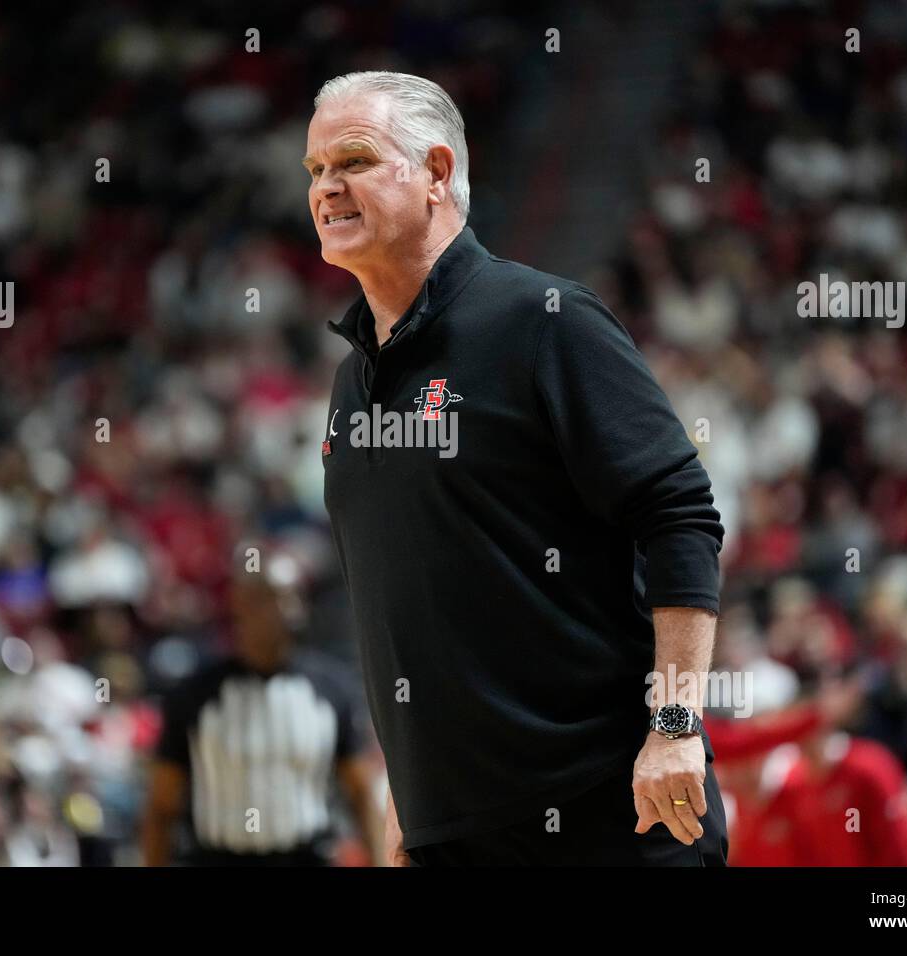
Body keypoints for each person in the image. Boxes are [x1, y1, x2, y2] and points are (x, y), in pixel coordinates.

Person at [306, 71, 728, 865]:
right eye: (315, 170)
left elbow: (680, 515)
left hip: (612, 816)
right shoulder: (350, 382)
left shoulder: (543, 322)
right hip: (452, 839)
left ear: (435, 173)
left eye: (353, 161)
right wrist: (410, 804)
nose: (326, 187)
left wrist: (673, 727)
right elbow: (404, 604)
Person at [142, 546, 383, 866]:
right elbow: (162, 805)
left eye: (296, 595)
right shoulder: (195, 696)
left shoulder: (330, 689)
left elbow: (360, 793)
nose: (292, 608)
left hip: (306, 856)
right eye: (279, 597)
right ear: (242, 605)